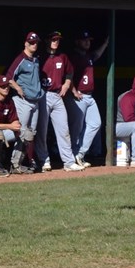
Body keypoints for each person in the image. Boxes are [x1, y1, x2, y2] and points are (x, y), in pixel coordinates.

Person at [38, 31, 83, 171]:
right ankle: (43, 160)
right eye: (53, 39)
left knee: (64, 129)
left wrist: (67, 84)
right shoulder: (40, 56)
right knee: (42, 130)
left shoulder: (62, 56)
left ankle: (68, 162)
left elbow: (70, 72)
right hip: (43, 95)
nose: (56, 42)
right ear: (47, 40)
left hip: (57, 95)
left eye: (58, 40)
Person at [4, 32, 46, 171]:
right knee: (22, 132)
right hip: (23, 101)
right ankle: (14, 163)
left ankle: (22, 162)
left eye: (36, 42)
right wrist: (18, 88)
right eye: (31, 42)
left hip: (35, 101)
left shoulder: (36, 59)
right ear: (26, 43)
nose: (34, 44)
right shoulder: (20, 59)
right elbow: (8, 77)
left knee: (31, 134)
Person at [65, 30, 108, 166]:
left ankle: (80, 153)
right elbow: (67, 76)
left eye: (89, 40)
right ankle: (71, 156)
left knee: (96, 123)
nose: (87, 42)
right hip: (78, 96)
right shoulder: (73, 57)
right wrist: (74, 91)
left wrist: (106, 44)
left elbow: (96, 55)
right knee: (76, 128)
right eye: (84, 40)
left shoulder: (88, 56)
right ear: (77, 42)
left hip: (89, 96)